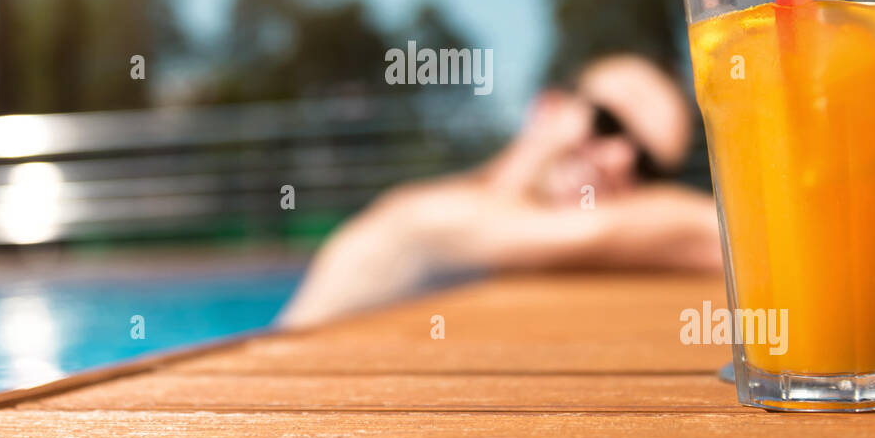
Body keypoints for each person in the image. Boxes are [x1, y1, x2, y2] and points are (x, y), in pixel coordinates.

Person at [278, 54, 723, 327]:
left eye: (647, 167)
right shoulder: (424, 214)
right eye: (609, 124)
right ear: (548, 108)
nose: (620, 159)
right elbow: (687, 234)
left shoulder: (549, 260)